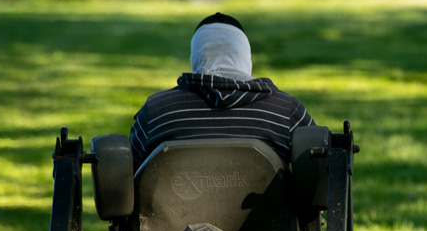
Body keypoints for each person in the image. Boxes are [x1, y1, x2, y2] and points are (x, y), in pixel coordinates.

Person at [129, 12, 314, 167]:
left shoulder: (156, 111)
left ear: (196, 57)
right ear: (245, 56)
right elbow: (319, 174)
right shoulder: (286, 111)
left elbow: (129, 177)